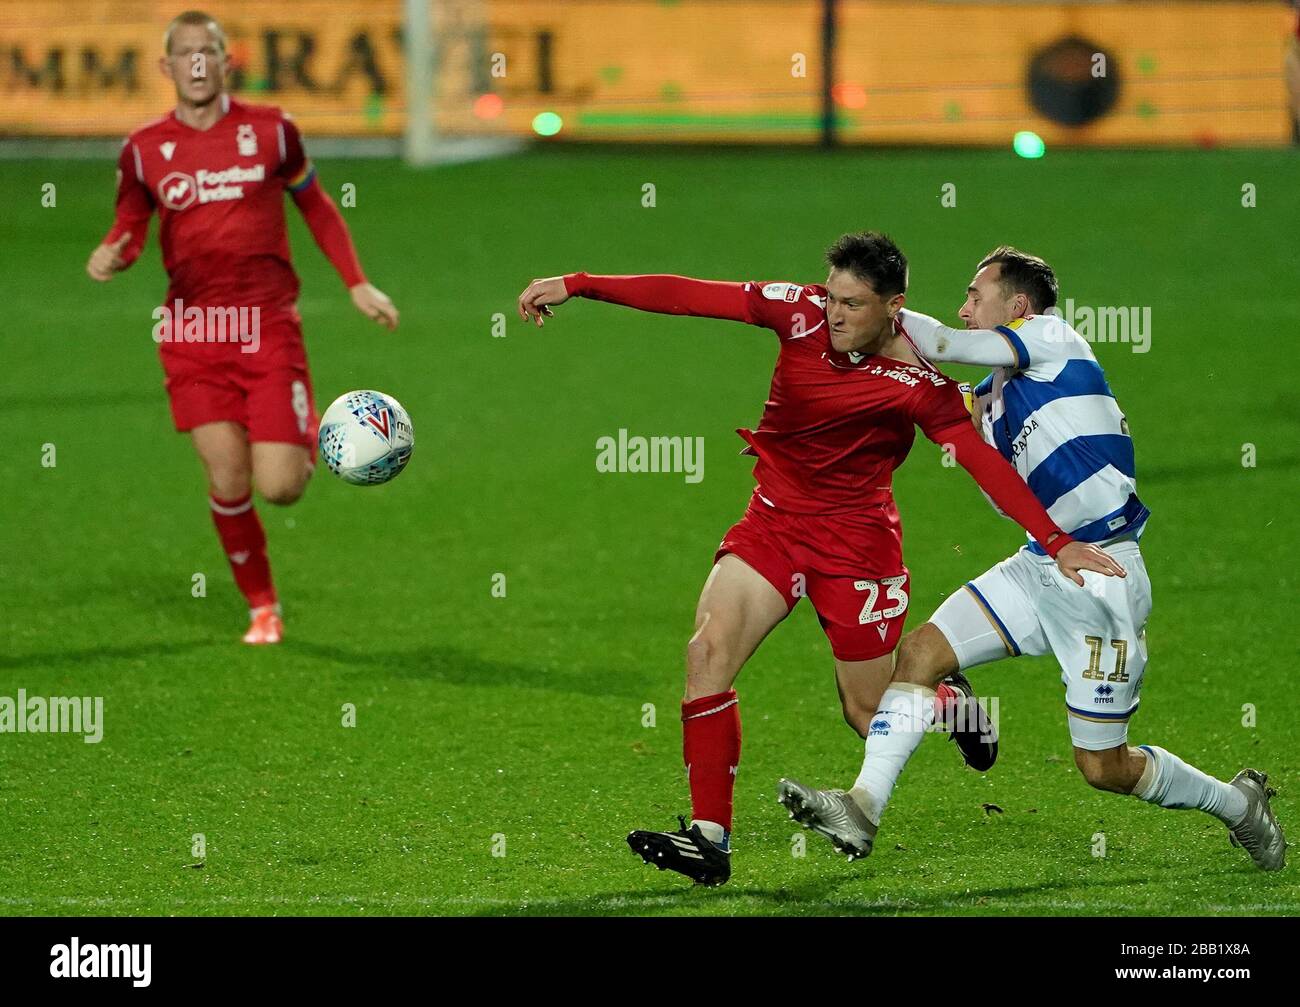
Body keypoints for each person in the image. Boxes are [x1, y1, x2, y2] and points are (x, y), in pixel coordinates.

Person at [516, 233, 1123, 885]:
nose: (834, 314)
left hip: (857, 547)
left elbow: (982, 463)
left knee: (866, 711)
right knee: (706, 653)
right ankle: (710, 839)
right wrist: (580, 282)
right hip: (774, 523)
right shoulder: (797, 312)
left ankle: (950, 705)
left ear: (895, 307)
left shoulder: (920, 383)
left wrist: (1056, 542)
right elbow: (688, 296)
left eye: (853, 304)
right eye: (831, 296)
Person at [778, 247, 1285, 871]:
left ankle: (1239, 805)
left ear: (1016, 307)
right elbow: (932, 384)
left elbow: (933, 342)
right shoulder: (989, 400)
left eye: (974, 295)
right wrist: (855, 328)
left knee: (1103, 767)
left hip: (1102, 575)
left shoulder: (1052, 339)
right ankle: (862, 808)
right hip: (1038, 566)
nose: (965, 308)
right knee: (919, 654)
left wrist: (879, 306)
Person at [86, 11, 399, 644]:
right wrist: (115, 249)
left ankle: (313, 428)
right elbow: (132, 222)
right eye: (184, 54)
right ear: (165, 67)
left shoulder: (273, 132)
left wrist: (355, 280)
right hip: (194, 334)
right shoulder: (143, 148)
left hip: (267, 327)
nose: (197, 64)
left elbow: (314, 202)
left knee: (280, 487)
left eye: (208, 52)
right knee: (227, 479)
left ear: (229, 62)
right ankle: (262, 605)